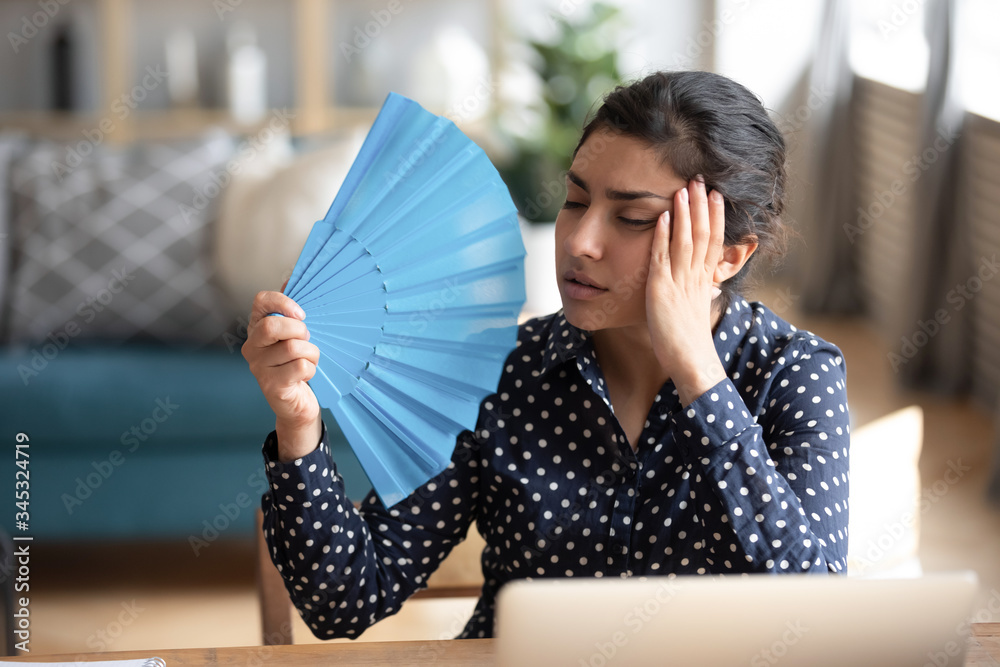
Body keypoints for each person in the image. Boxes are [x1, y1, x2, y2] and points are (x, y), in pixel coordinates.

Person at [242, 70, 850, 640]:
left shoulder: (794, 375)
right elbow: (343, 602)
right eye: (576, 200)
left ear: (726, 257)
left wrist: (696, 372)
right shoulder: (504, 371)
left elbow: (816, 614)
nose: (580, 242)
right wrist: (299, 423)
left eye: (633, 218)